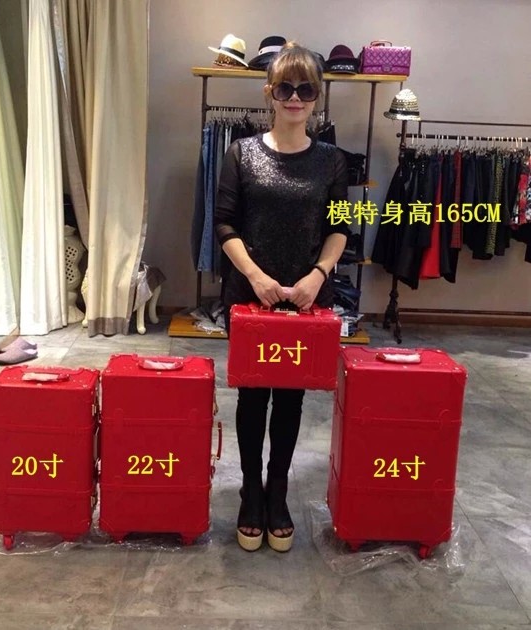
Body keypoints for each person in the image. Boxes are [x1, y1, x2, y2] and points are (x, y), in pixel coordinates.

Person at [214, 42, 350, 552]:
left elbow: (340, 227)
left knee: (292, 395)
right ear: (269, 93)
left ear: (317, 96)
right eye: (285, 88)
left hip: (306, 296)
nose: (295, 98)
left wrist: (318, 274)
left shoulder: (333, 161)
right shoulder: (241, 152)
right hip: (252, 295)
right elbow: (224, 223)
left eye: (305, 89)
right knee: (253, 394)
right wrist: (255, 277)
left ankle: (278, 490)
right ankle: (251, 490)